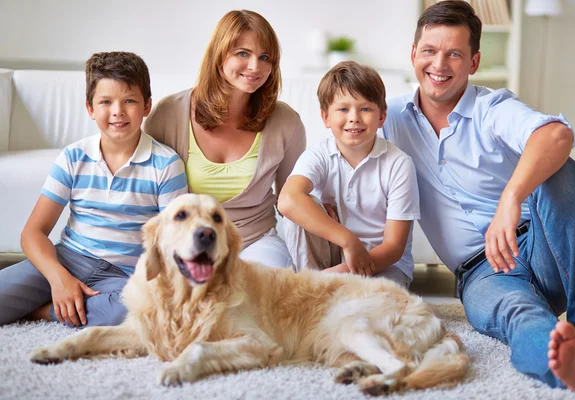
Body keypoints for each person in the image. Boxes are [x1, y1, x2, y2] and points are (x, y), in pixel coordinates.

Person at [381, 1, 575, 397]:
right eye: (429, 51)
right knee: (523, 319)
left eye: (454, 54)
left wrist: (510, 198)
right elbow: (343, 152)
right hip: (482, 275)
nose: (439, 64)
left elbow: (557, 136)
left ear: (474, 61)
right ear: (413, 54)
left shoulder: (491, 106)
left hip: (540, 245)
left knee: (561, 169)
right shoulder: (390, 116)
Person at [0, 52, 188, 328]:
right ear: (89, 108)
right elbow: (33, 233)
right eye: (105, 102)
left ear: (147, 105)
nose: (118, 111)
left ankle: (45, 312)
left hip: (123, 274)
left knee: (138, 312)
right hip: (67, 260)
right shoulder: (74, 157)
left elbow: (172, 242)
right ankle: (63, 300)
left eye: (130, 101)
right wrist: (59, 279)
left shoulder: (167, 164)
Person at [143, 10, 306, 269]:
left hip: (255, 241)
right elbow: (145, 192)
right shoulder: (168, 114)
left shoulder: (286, 121)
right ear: (219, 54)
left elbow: (294, 197)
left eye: (265, 57)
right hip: (187, 242)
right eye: (243, 53)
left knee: (264, 293)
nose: (255, 67)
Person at [278, 61, 420, 288]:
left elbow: (393, 248)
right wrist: (348, 240)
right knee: (301, 207)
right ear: (326, 117)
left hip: (382, 264)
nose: (354, 118)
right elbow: (287, 200)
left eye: (365, 109)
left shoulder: (399, 164)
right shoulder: (319, 155)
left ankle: (314, 287)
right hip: (333, 257)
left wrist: (332, 276)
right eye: (343, 109)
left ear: (382, 116)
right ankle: (312, 289)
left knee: (374, 309)